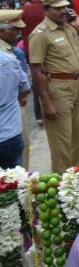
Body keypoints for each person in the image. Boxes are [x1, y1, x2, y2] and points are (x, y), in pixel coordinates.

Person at [28, 0, 79, 173]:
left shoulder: (70, 26)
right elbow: (36, 71)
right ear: (46, 10)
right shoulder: (40, 34)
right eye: (57, 8)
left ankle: (78, 179)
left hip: (77, 85)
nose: (63, 11)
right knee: (61, 143)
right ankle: (61, 184)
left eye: (65, 7)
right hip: (58, 89)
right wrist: (46, 102)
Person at [0, 10, 29, 168]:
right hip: (9, 127)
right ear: (2, 31)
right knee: (13, 180)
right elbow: (25, 88)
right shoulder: (11, 56)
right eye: (15, 30)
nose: (18, 34)